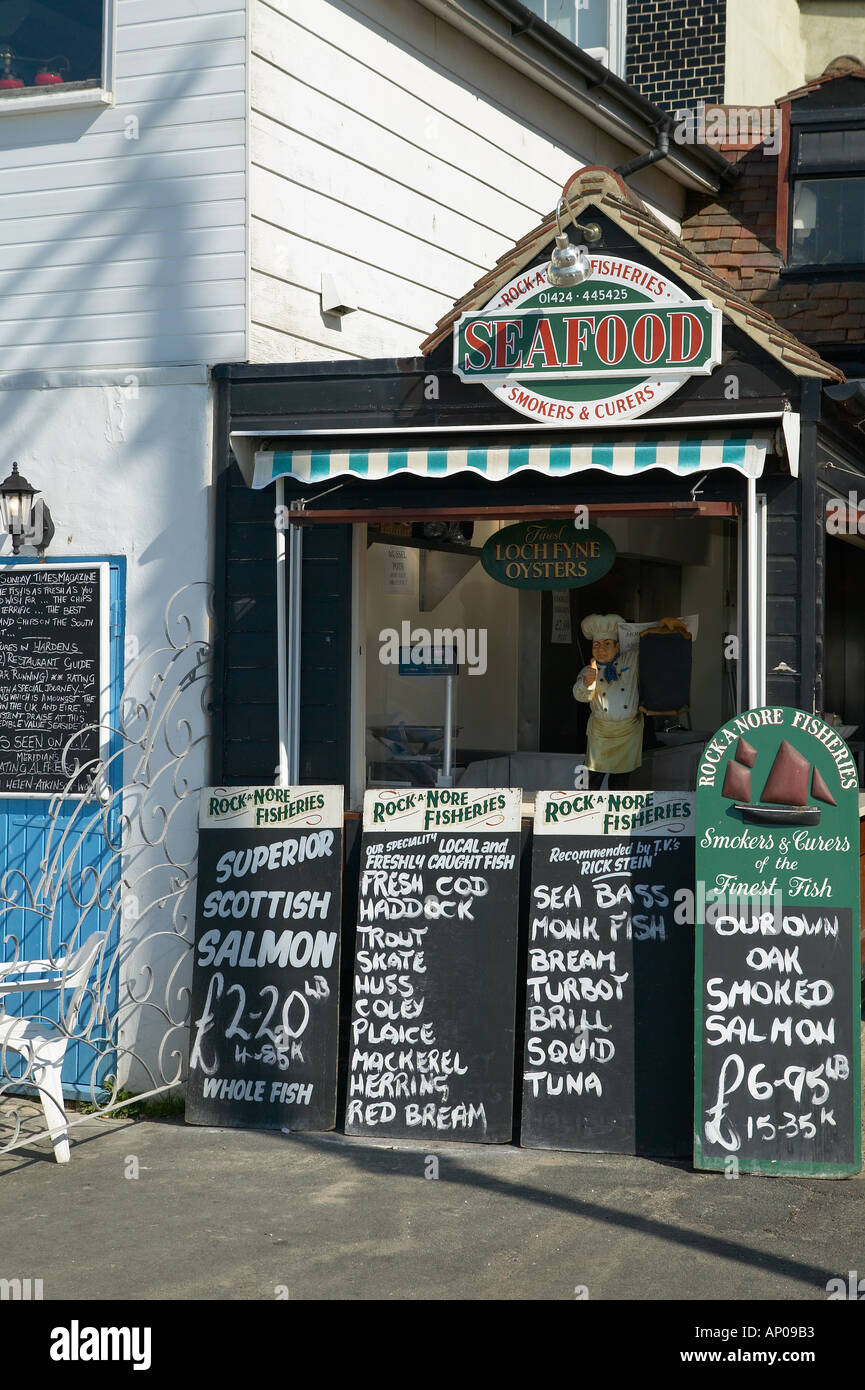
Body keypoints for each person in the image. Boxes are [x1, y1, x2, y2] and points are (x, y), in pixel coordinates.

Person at [574, 612, 688, 787]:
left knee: (620, 782)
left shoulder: (631, 660)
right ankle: (586, 805)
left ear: (617, 647)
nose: (601, 649)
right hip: (601, 734)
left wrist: (662, 625)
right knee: (592, 778)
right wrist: (588, 682)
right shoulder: (588, 670)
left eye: (607, 644)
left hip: (628, 732)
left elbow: (653, 647)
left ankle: (617, 806)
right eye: (596, 645)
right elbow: (580, 696)